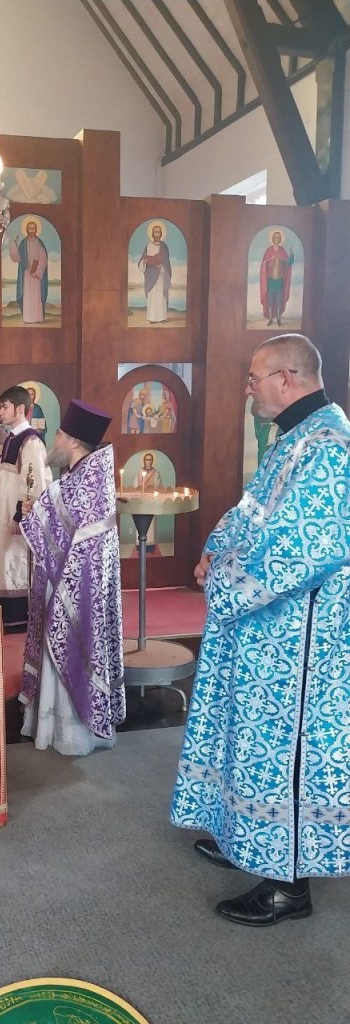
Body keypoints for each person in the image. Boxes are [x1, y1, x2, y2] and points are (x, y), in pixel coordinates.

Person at [171, 333, 350, 927]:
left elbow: (306, 545)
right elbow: (252, 511)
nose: (247, 389)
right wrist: (213, 549)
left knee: (284, 746)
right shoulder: (292, 440)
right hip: (266, 626)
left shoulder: (330, 448)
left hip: (300, 637)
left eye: (254, 379)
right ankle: (246, 836)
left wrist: (224, 578)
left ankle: (287, 885)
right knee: (247, 735)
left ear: (287, 378)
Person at [19, 400, 124, 755]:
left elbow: (61, 521)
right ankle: (55, 725)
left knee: (71, 646)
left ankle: (72, 733)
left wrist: (36, 511)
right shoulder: (85, 475)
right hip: (67, 579)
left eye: (61, 434)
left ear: (75, 441)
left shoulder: (88, 479)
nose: (56, 439)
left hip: (76, 587)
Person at [0, 385, 51, 631]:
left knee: (16, 563)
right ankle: (7, 617)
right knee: (3, 561)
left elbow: (34, 484)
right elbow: (0, 476)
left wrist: (21, 518)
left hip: (15, 517)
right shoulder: (11, 438)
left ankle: (20, 619)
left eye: (5, 406)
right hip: (3, 512)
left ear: (20, 409)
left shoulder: (30, 441)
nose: (0, 411)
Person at [9, 219, 48, 323]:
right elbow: (17, 257)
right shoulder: (23, 243)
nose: (32, 230)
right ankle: (27, 318)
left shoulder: (40, 243)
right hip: (26, 274)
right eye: (30, 228)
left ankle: (38, 318)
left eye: (33, 228)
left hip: (36, 275)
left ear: (36, 229)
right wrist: (14, 243)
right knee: (27, 297)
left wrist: (38, 271)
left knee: (36, 296)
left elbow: (43, 258)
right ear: (27, 229)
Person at [138, 222, 172, 323]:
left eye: (158, 232)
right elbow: (141, 261)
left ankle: (162, 317)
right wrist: (145, 261)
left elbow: (167, 261)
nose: (157, 234)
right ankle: (152, 318)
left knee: (161, 295)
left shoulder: (164, 246)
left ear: (161, 233)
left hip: (161, 274)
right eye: (155, 232)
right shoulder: (148, 246)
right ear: (152, 234)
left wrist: (162, 266)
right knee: (153, 296)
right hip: (151, 274)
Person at [259, 229, 294, 326]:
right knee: (270, 300)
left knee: (278, 300)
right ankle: (270, 319)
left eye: (278, 237)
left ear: (280, 239)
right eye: (275, 237)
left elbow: (288, 263)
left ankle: (278, 319)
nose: (277, 239)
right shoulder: (269, 250)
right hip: (270, 280)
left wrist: (291, 257)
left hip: (279, 280)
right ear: (272, 239)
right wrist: (270, 259)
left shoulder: (282, 251)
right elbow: (264, 263)